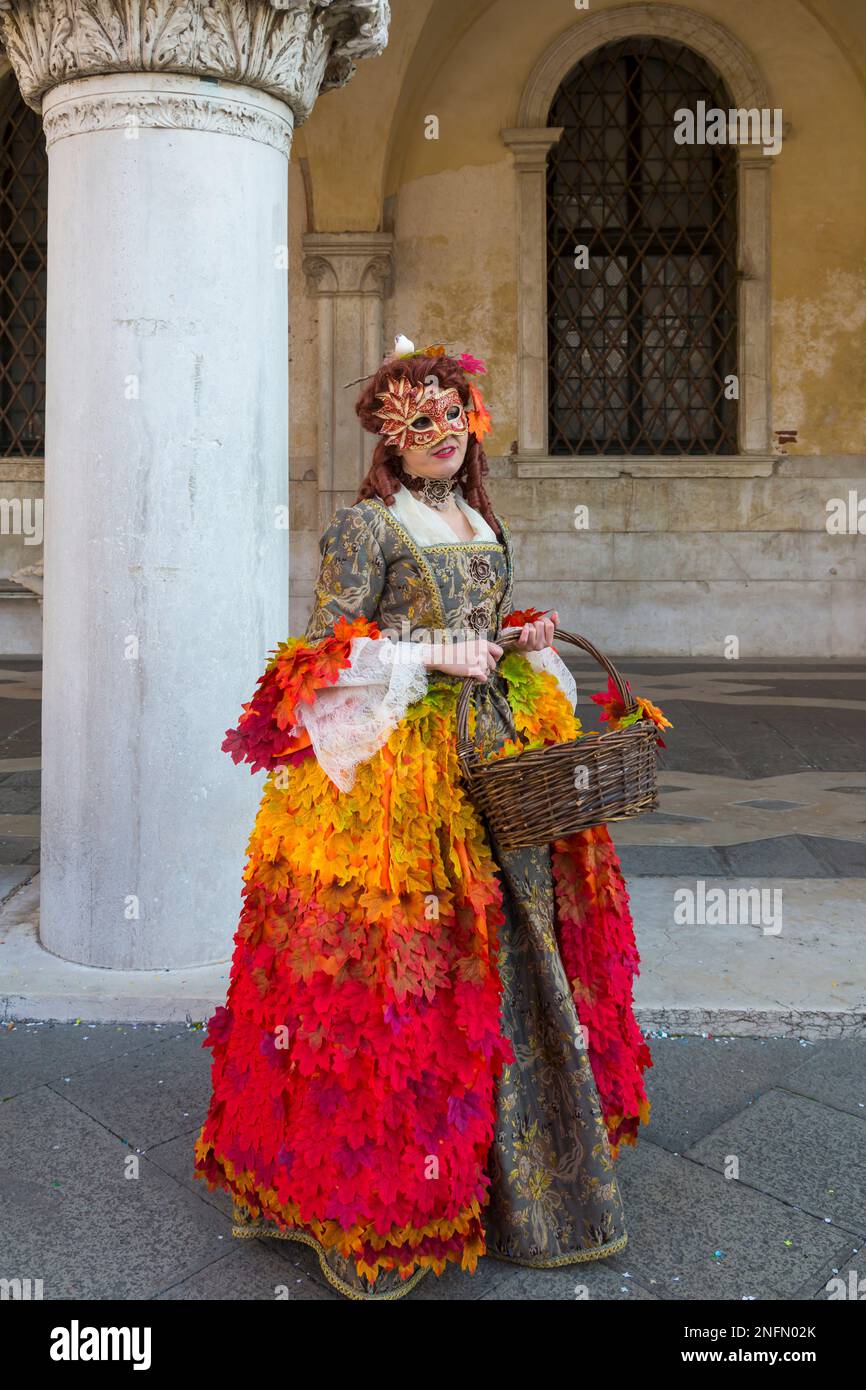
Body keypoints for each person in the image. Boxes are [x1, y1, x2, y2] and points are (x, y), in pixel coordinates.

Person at [193, 336, 660, 1300]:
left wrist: (515, 634)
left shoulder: (477, 519)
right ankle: (390, 1198)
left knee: (521, 944)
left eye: (452, 418)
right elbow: (319, 658)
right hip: (409, 775)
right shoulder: (367, 528)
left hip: (498, 751)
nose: (440, 435)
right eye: (419, 423)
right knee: (415, 967)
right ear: (389, 440)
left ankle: (520, 1184)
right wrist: (437, 656)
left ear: (471, 426)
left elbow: (481, 629)